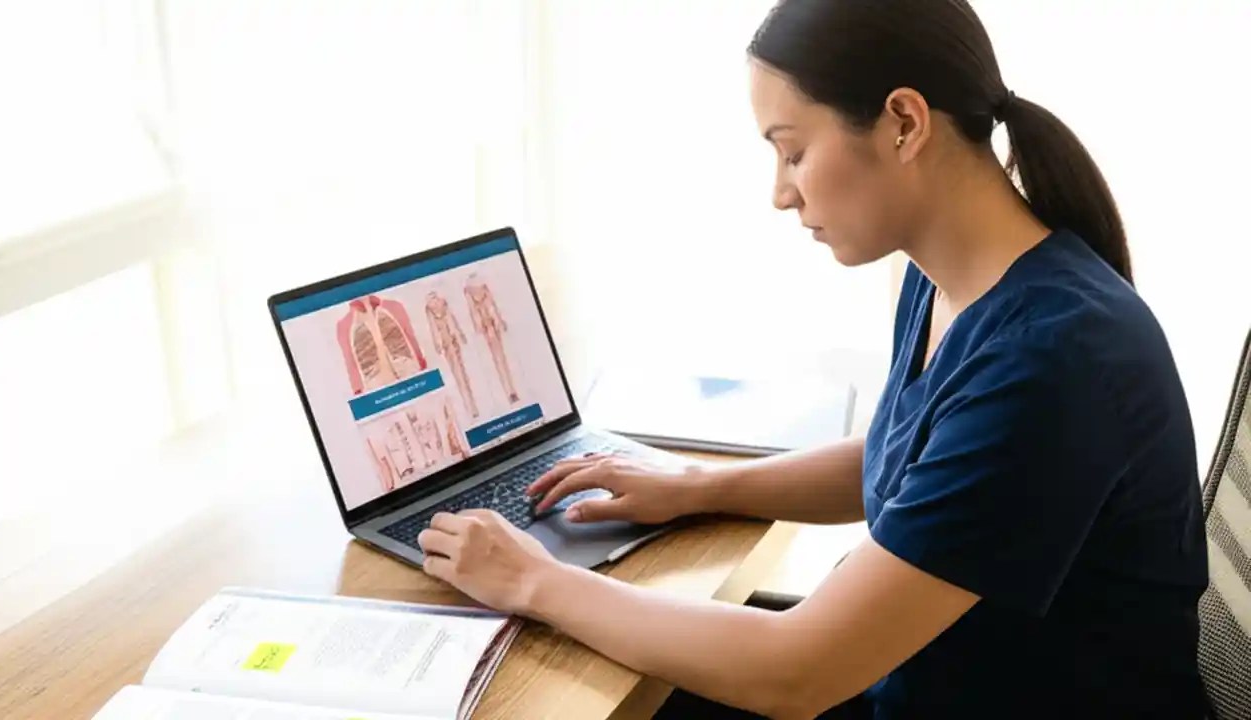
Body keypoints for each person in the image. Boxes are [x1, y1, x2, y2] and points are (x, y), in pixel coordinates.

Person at [414, 0, 1210, 717]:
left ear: (904, 122)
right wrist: (695, 487)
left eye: (792, 152)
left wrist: (536, 580)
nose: (781, 192)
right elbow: (915, 462)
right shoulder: (950, 281)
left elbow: (799, 674)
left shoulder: (1055, 357)